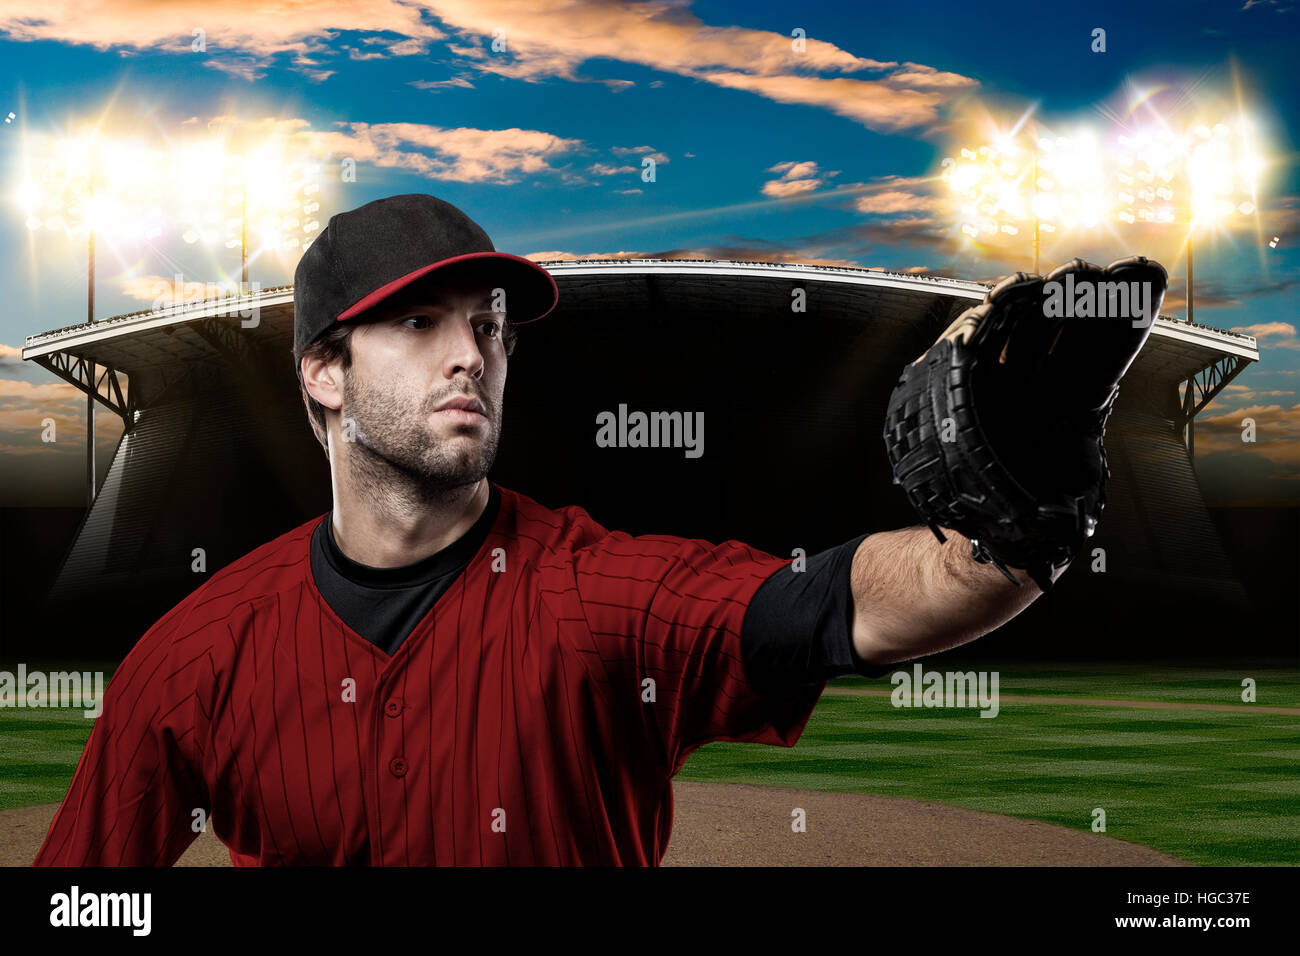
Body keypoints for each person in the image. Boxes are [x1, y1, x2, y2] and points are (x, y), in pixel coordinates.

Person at [33, 193, 1058, 866]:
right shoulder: (196, 655)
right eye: (419, 322)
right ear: (324, 370)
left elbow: (860, 602)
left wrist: (1018, 520)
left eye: (487, 324)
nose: (470, 353)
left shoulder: (599, 595)